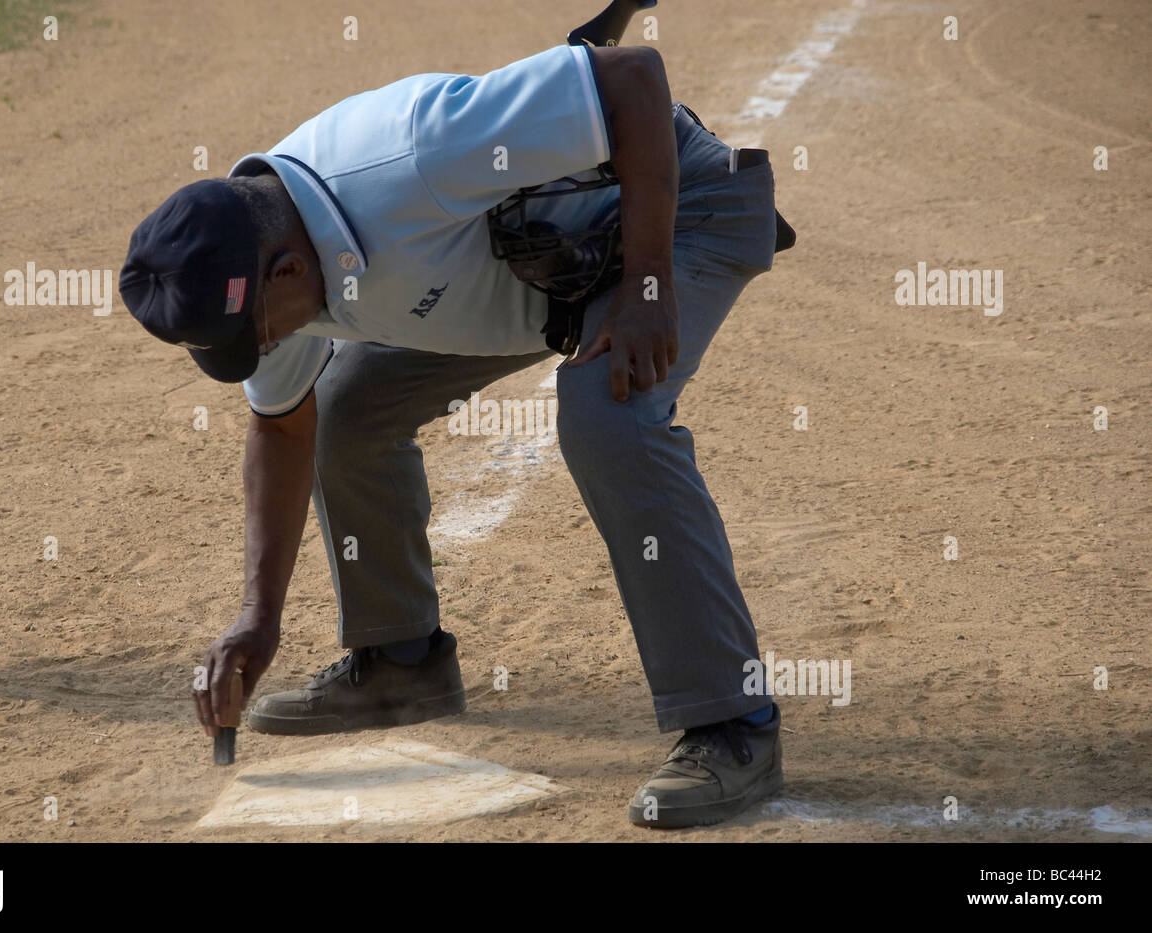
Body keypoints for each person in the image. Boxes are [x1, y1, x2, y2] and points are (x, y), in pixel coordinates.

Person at [120, 43, 784, 828]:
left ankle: (733, 725)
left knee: (607, 414)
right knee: (348, 406)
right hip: (544, 277)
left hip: (678, 213)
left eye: (254, 334)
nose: (261, 350)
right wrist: (257, 617)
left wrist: (646, 286)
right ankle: (402, 661)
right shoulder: (267, 244)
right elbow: (283, 425)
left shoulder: (413, 152)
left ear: (289, 273)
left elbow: (633, 76)